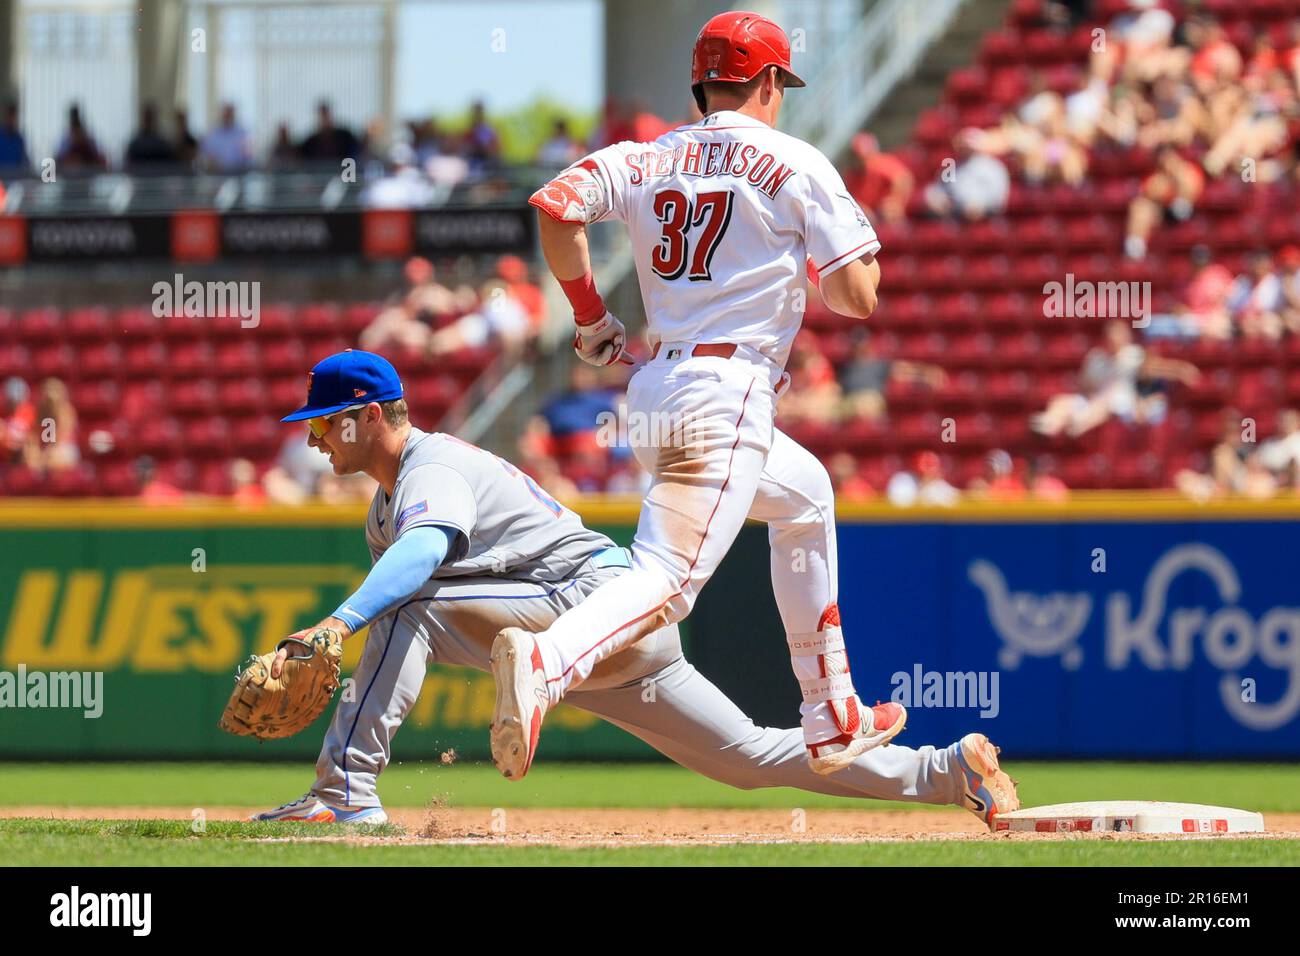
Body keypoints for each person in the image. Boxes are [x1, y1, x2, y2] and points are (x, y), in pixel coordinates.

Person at [494, 11, 1014, 795]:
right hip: (726, 390)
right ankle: (546, 659)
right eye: (781, 84)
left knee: (806, 499)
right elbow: (859, 297)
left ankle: (831, 708)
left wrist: (591, 316)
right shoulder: (794, 161)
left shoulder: (650, 156)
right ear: (770, 82)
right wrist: (812, 257)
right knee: (668, 580)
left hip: (659, 389)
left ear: (701, 86)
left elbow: (556, 205)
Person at [253, 348, 1016, 829]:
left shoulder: (434, 468)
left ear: (369, 415)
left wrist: (338, 621)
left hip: (588, 608)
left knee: (404, 605)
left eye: (327, 421)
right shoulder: (386, 505)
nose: (315, 438)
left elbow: (425, 553)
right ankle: (944, 774)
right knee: (747, 756)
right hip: (607, 637)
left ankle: (345, 791)